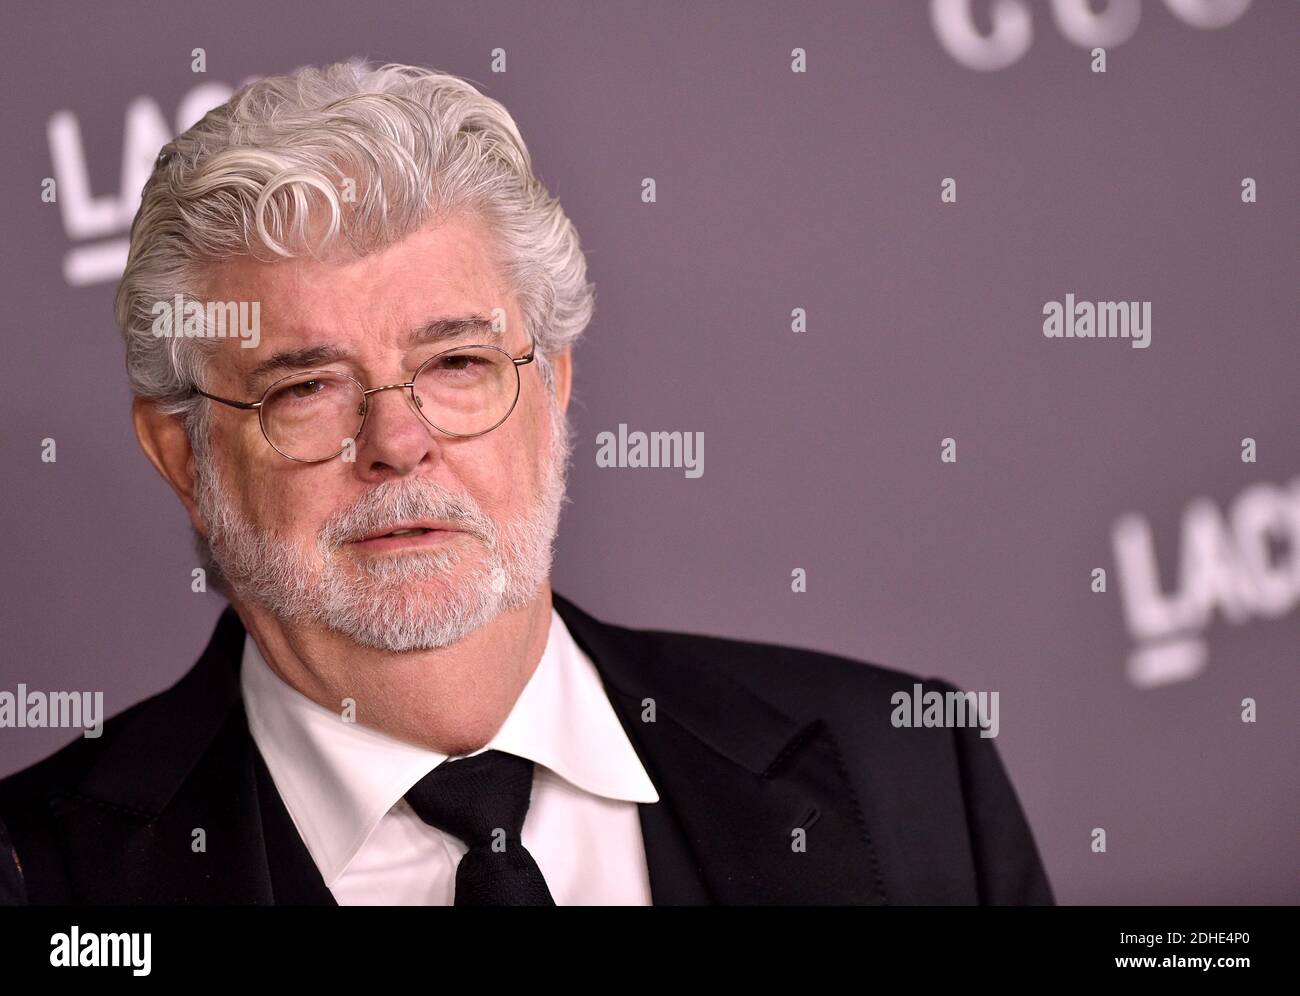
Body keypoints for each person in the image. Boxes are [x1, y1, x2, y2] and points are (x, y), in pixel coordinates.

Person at [0, 61, 1052, 905]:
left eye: (456, 363)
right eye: (308, 386)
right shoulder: (39, 874)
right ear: (186, 457)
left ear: (550, 387)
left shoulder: (906, 768)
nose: (398, 442)